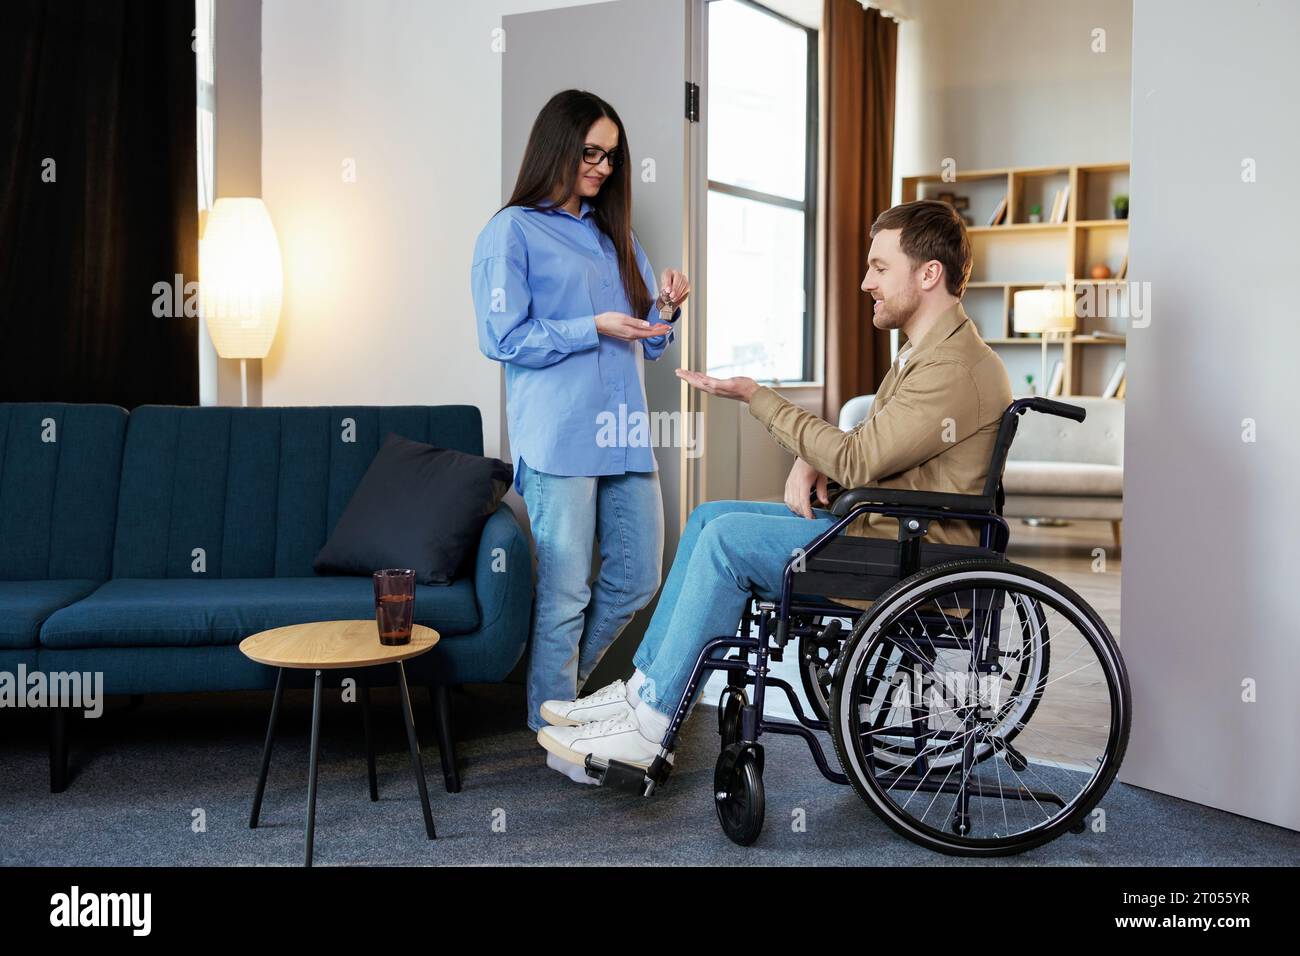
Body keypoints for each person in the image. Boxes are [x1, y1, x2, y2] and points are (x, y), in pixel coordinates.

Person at [536, 199, 1012, 775]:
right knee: (710, 517)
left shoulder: (953, 368)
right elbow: (885, 450)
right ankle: (641, 691)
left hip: (913, 552)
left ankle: (652, 721)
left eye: (879, 268)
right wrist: (815, 461)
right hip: (888, 527)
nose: (866, 283)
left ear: (928, 273)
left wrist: (755, 397)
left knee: (727, 543)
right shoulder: (927, 353)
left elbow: (861, 458)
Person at [471, 90, 690, 782]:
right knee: (564, 594)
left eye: (611, 156)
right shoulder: (511, 232)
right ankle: (553, 729)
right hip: (560, 437)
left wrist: (665, 311)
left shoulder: (614, 235)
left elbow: (650, 346)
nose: (601, 167)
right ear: (559, 149)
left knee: (637, 577)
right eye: (590, 152)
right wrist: (589, 325)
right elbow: (500, 338)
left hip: (625, 434)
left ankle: (571, 708)